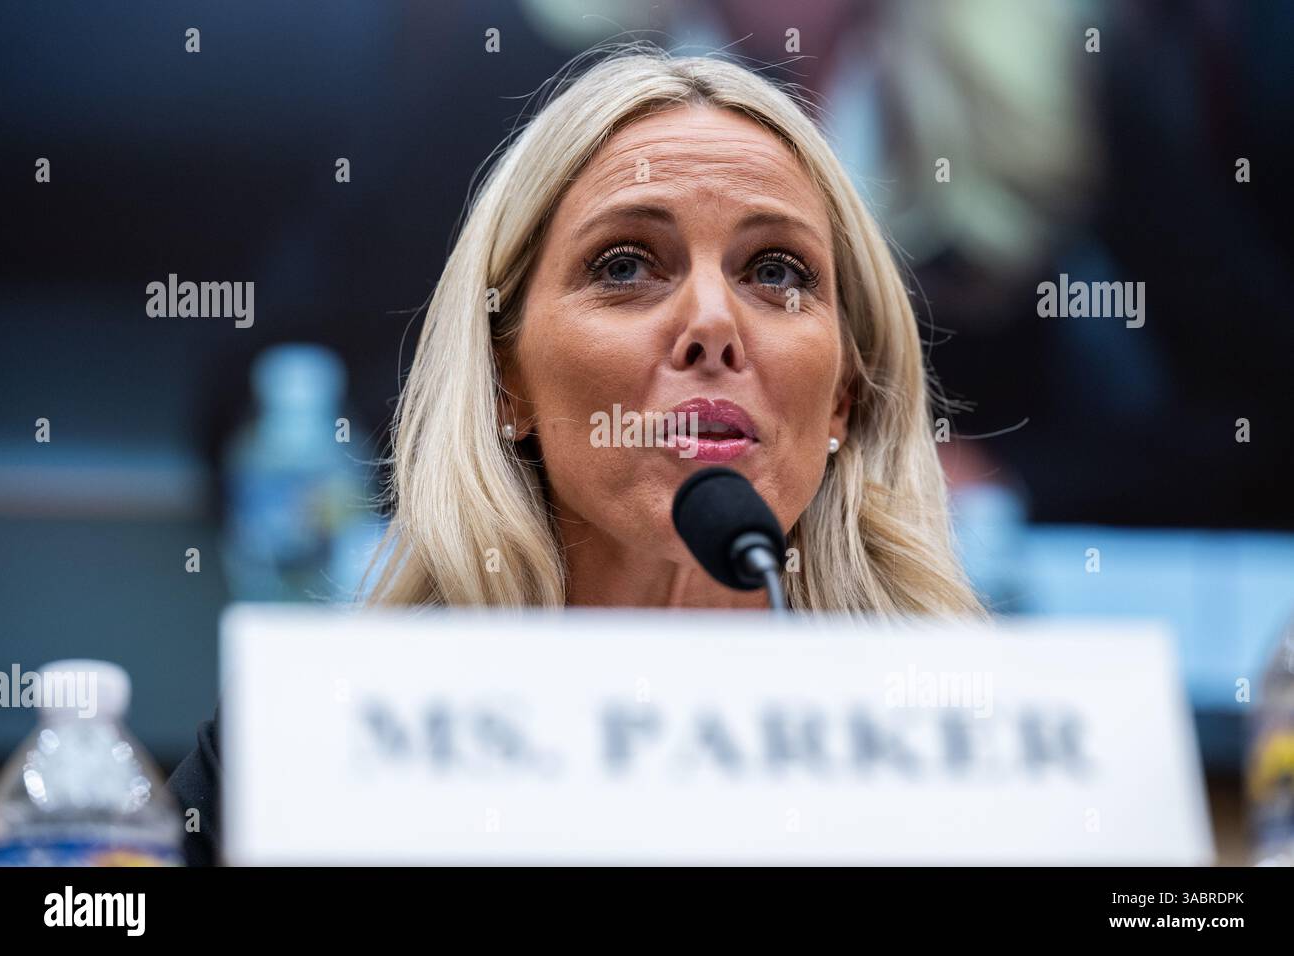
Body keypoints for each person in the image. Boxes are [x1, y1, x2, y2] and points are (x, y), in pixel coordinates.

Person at [169, 45, 982, 865]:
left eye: (776, 271)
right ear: (506, 378)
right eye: (624, 265)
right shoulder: (315, 740)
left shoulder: (966, 755)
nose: (712, 323)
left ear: (843, 393)